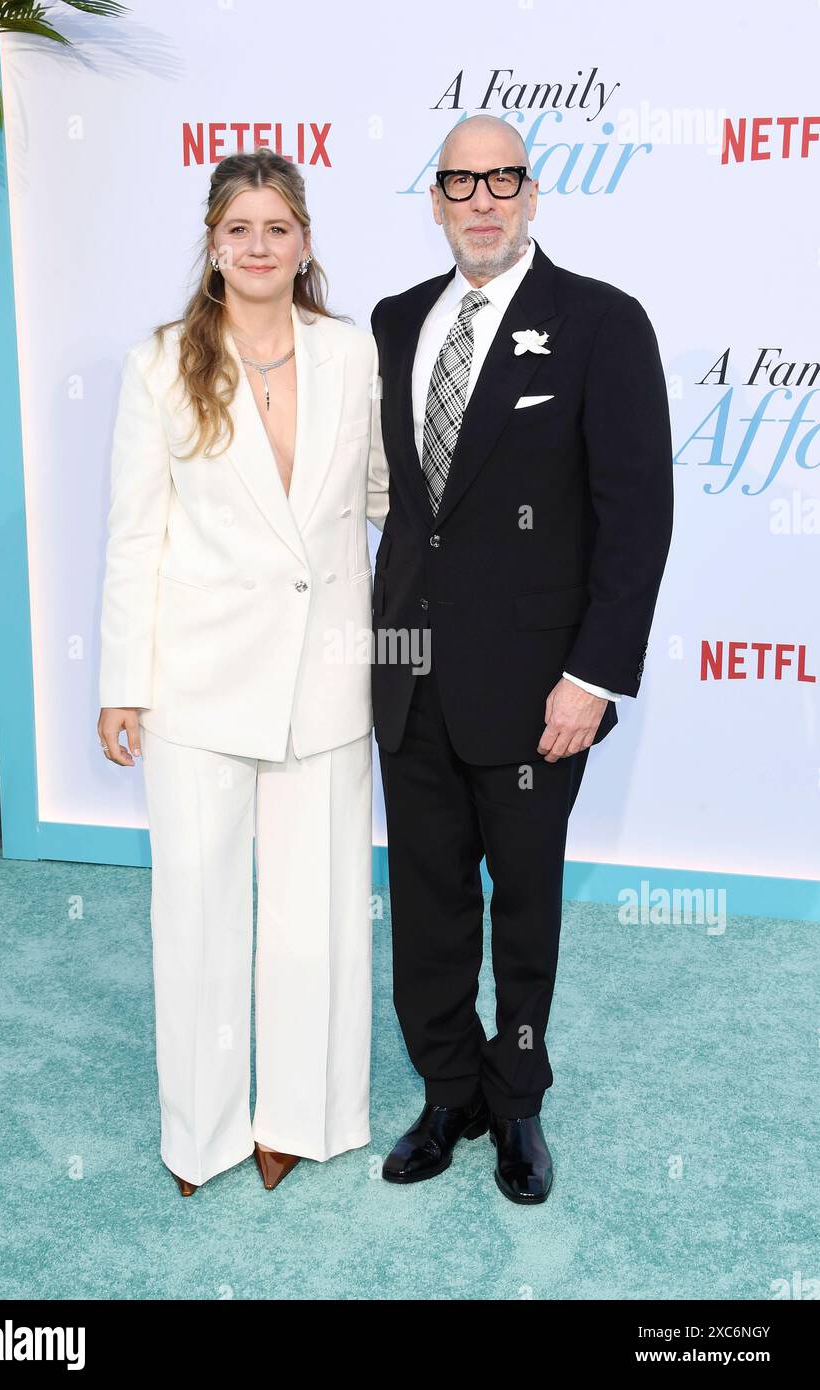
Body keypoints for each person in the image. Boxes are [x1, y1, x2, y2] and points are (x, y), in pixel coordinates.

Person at [369, 114, 674, 1203]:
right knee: (425, 899)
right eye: (461, 182)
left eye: (503, 179)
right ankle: (447, 1090)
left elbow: (636, 515)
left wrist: (592, 677)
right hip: (406, 669)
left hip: (540, 688)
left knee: (526, 906)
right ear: (437, 200)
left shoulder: (600, 321)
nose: (483, 200)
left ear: (533, 193)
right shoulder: (395, 321)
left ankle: (517, 1100)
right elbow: (401, 510)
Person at [96, 147, 389, 1195]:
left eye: (277, 228)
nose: (259, 247)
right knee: (197, 911)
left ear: (304, 243)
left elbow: (387, 500)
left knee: (319, 912)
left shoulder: (350, 352)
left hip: (326, 677)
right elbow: (136, 533)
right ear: (213, 245)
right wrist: (122, 682)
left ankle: (305, 1116)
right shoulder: (159, 362)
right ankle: (203, 1131)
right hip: (197, 678)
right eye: (239, 230)